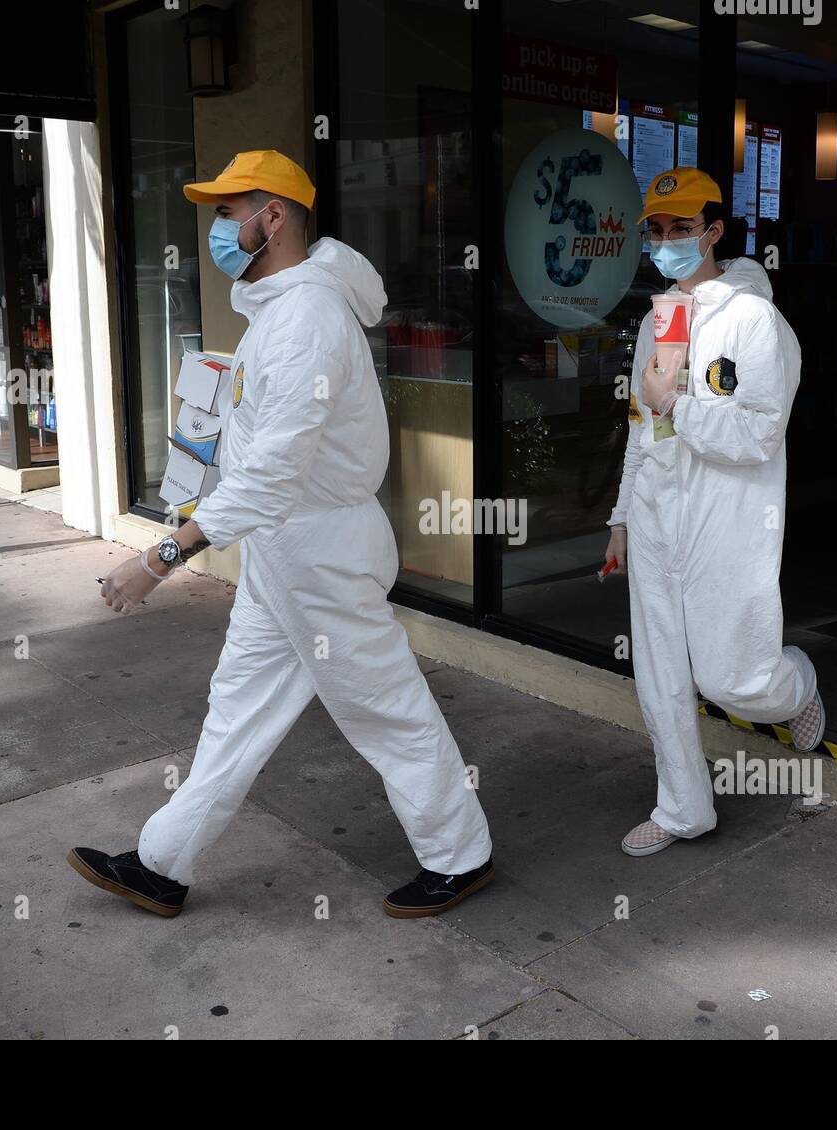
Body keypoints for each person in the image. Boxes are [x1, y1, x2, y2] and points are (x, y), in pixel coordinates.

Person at [68, 150, 494, 917]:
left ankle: (461, 855)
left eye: (231, 211)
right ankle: (163, 862)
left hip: (320, 551)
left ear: (276, 217)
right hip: (288, 550)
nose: (218, 227)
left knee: (383, 707)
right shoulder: (280, 312)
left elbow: (273, 473)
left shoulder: (304, 321)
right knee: (239, 705)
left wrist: (162, 557)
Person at [605, 167, 825, 858]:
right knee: (660, 672)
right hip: (655, 517)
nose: (668, 242)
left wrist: (679, 403)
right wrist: (620, 517)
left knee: (729, 676)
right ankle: (682, 809)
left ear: (714, 231)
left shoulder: (755, 320)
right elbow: (642, 429)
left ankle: (793, 687)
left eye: (682, 228)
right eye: (658, 230)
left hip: (730, 519)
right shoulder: (655, 320)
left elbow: (761, 435)